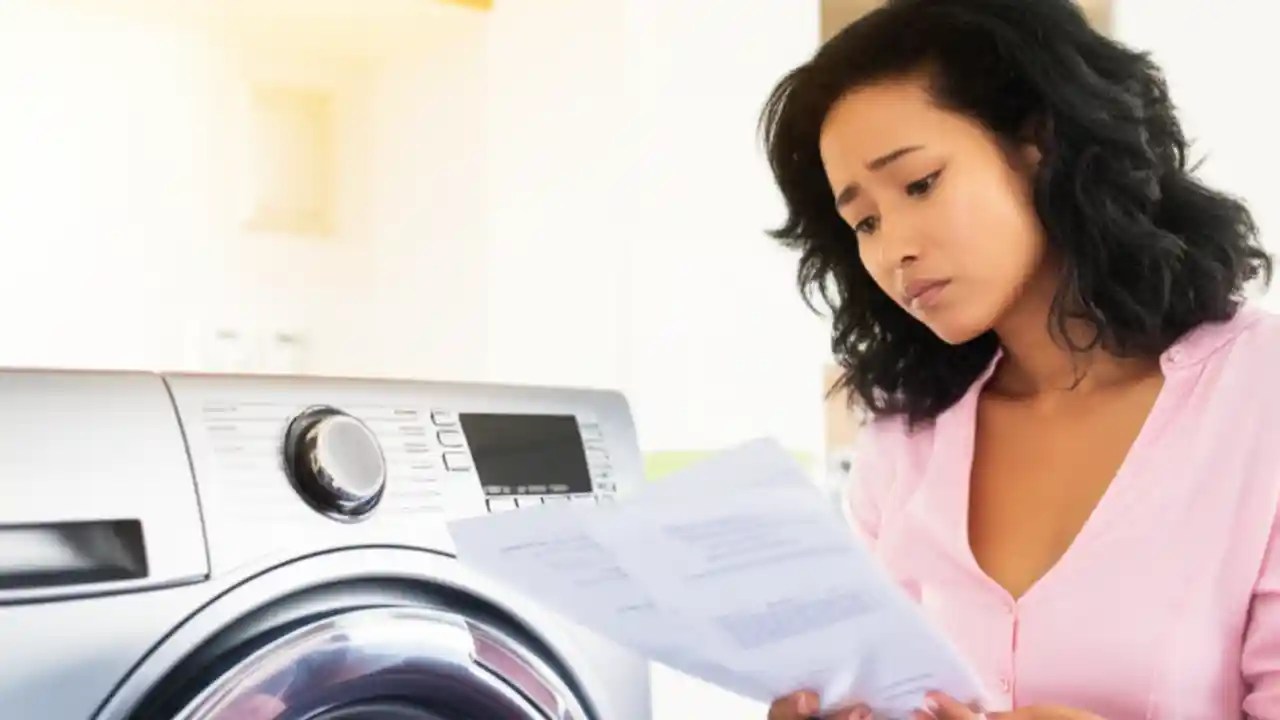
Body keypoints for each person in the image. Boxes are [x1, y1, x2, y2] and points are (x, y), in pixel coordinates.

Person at [758, 0, 1280, 718]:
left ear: (1040, 141)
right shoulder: (904, 441)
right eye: (865, 221)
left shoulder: (1258, 395)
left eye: (920, 184)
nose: (892, 249)